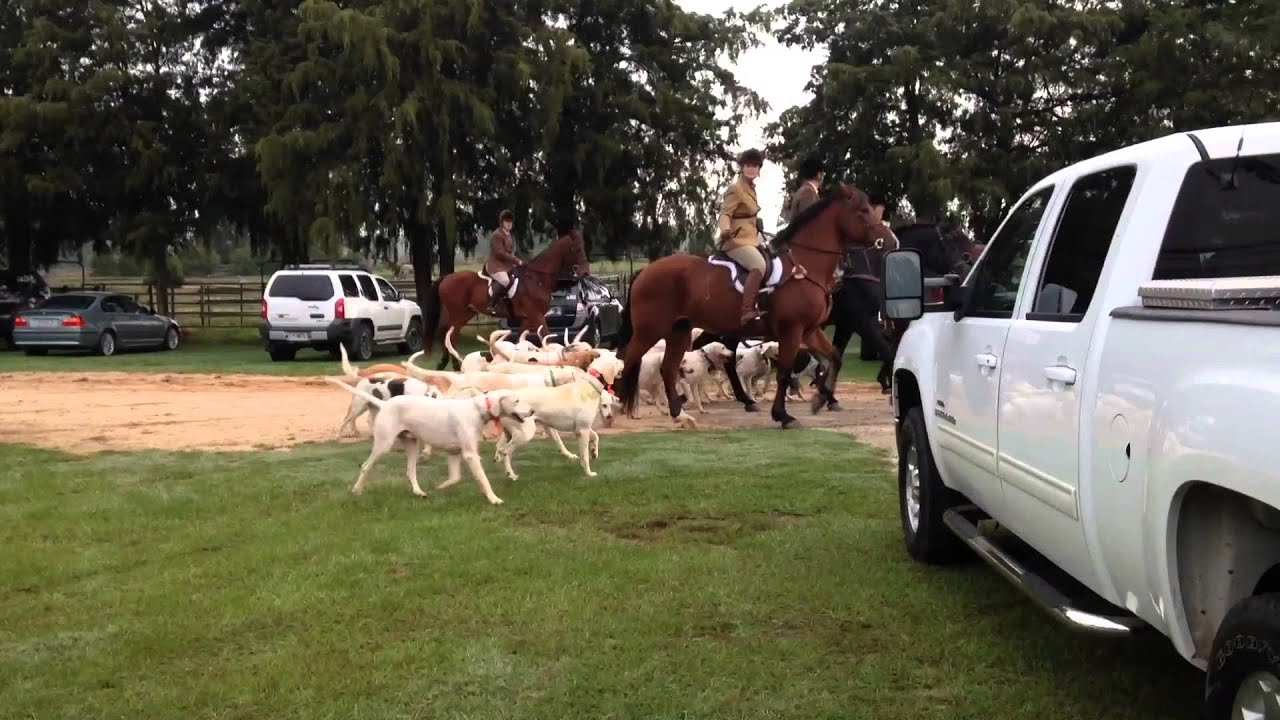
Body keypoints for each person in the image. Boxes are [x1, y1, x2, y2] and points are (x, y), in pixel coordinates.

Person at [833, 190, 896, 372]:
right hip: (863, 282)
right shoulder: (860, 227)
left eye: (879, 209)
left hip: (876, 281)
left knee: (845, 333)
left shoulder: (883, 230)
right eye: (876, 208)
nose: (879, 212)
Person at [717, 148, 768, 325]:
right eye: (748, 165)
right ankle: (747, 310)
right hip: (735, 240)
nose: (751, 169)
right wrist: (724, 230)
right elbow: (725, 214)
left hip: (751, 239)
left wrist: (756, 221)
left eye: (755, 165)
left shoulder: (751, 189)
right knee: (759, 265)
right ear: (741, 167)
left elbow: (746, 213)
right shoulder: (736, 188)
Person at [487, 209, 522, 314]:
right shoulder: (497, 235)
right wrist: (515, 260)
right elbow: (500, 253)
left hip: (506, 265)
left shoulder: (509, 235)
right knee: (505, 281)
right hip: (496, 265)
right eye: (507, 222)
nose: (509, 224)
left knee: (518, 278)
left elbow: (510, 252)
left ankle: (507, 302)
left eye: (511, 222)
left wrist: (517, 261)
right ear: (502, 222)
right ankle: (491, 305)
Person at [782, 155, 824, 225]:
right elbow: (807, 224)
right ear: (819, 175)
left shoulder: (803, 190)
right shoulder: (809, 193)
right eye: (823, 174)